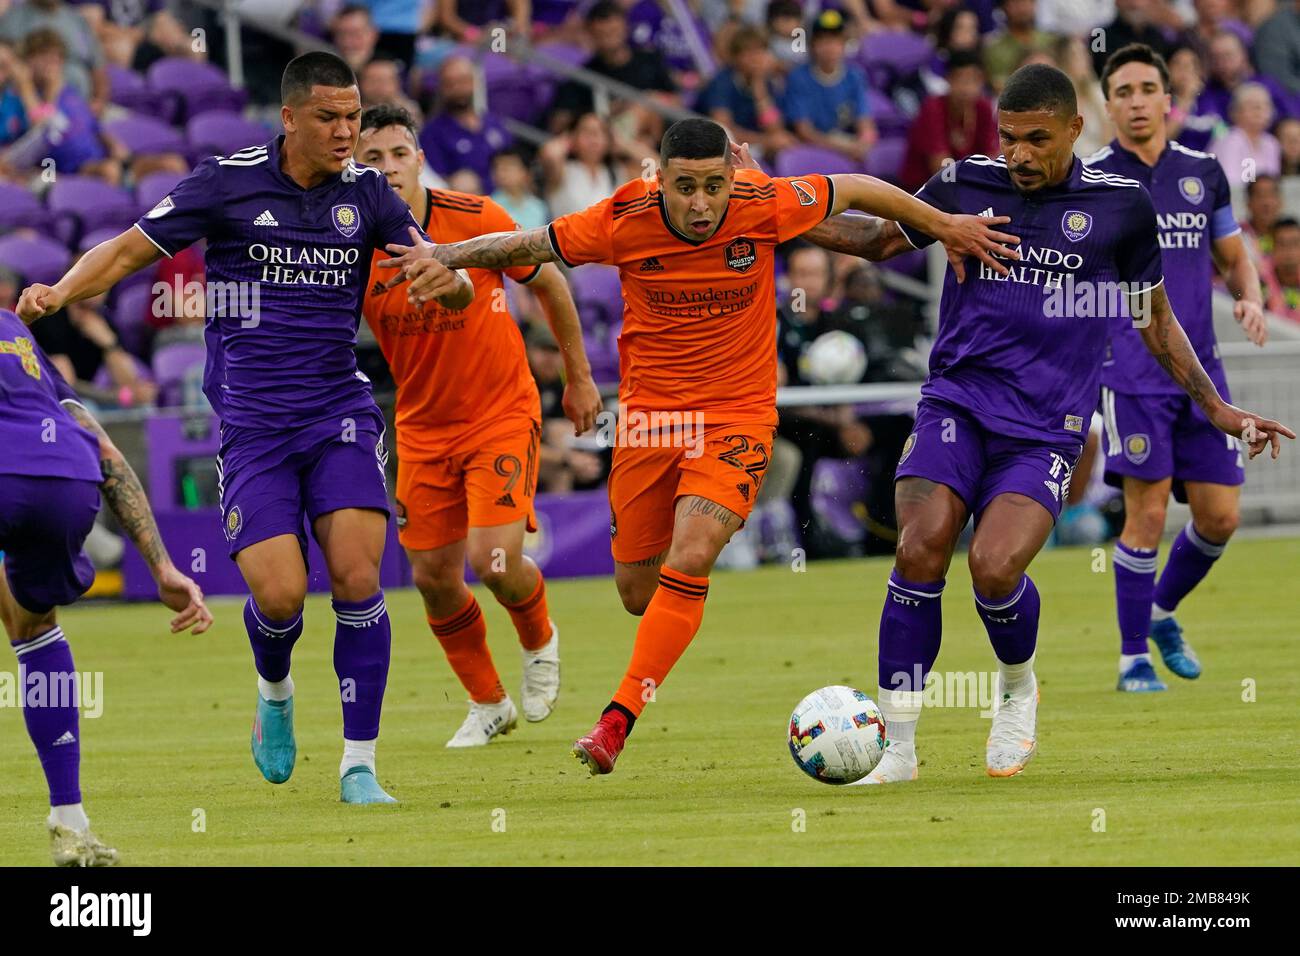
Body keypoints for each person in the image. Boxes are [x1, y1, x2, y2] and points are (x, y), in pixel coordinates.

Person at [384, 116, 1025, 776]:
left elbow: (858, 186)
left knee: (693, 552)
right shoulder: (620, 217)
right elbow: (527, 246)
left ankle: (616, 720)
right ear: (658, 179)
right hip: (650, 424)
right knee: (638, 591)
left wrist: (944, 226)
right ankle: (621, 638)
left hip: (736, 418)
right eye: (684, 186)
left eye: (713, 186)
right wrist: (445, 254)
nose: (699, 203)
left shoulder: (761, 200)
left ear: (732, 179)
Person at [795, 63, 1292, 784]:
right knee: (919, 549)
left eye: (1036, 139)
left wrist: (1216, 406)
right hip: (957, 403)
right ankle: (897, 748)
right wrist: (777, 208)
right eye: (1009, 138)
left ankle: (1018, 684)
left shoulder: (1120, 207)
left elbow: (1153, 317)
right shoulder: (967, 180)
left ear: (1072, 130)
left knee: (994, 568)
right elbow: (877, 240)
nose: (1019, 154)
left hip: (1046, 425)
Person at [16, 51, 469, 806]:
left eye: (354, 116)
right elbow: (130, 248)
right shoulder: (226, 182)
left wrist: (446, 286)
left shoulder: (368, 193)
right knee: (283, 596)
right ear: (290, 117)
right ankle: (275, 691)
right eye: (330, 117)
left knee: (359, 577)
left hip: (338, 414)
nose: (347, 132)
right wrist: (62, 291)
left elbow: (439, 279)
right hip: (254, 425)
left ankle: (360, 765)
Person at [355, 104, 600, 746]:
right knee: (433, 579)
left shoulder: (477, 217)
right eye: (371, 158)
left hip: (499, 412)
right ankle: (488, 701)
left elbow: (550, 282)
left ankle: (539, 637)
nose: (387, 168)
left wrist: (578, 377)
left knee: (491, 560)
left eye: (398, 154)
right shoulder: (351, 244)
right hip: (421, 426)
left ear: (418, 157)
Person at [1087, 43, 1268, 693]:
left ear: (1169, 99)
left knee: (1221, 518)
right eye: (1123, 92)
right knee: (1147, 514)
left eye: (1146, 89)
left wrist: (1248, 293)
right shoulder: (1092, 183)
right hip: (1131, 372)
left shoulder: (1203, 172)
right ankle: (1132, 658)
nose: (1136, 102)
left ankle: (1160, 613)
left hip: (1204, 375)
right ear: (1107, 106)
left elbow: (1234, 252)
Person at [0, 309, 211, 865]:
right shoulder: (17, 337)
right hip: (62, 477)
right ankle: (71, 823)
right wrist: (163, 566)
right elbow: (107, 453)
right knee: (33, 630)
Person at [782, 9, 877, 165]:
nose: (830, 47)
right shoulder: (798, 77)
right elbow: (804, 131)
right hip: (813, 149)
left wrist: (865, 142)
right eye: (824, 41)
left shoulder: (855, 76)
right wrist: (843, 148)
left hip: (846, 142)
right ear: (813, 45)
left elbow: (866, 122)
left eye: (836, 41)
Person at [900, 51, 998, 191]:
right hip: (924, 191)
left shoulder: (983, 108)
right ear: (948, 79)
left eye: (974, 80)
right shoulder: (933, 108)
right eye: (960, 80)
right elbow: (943, 171)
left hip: (967, 188)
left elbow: (991, 159)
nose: (967, 88)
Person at [419, 55, 513, 192]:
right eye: (450, 83)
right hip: (466, 204)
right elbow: (436, 181)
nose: (457, 88)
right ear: (441, 88)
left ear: (474, 83)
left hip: (507, 200)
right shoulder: (432, 133)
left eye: (463, 81)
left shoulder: (495, 123)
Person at [1260, 216, 1300, 318]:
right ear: (1272, 247)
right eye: (1282, 244)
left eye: (1294, 243)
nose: (1289, 250)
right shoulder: (1258, 279)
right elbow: (1236, 294)